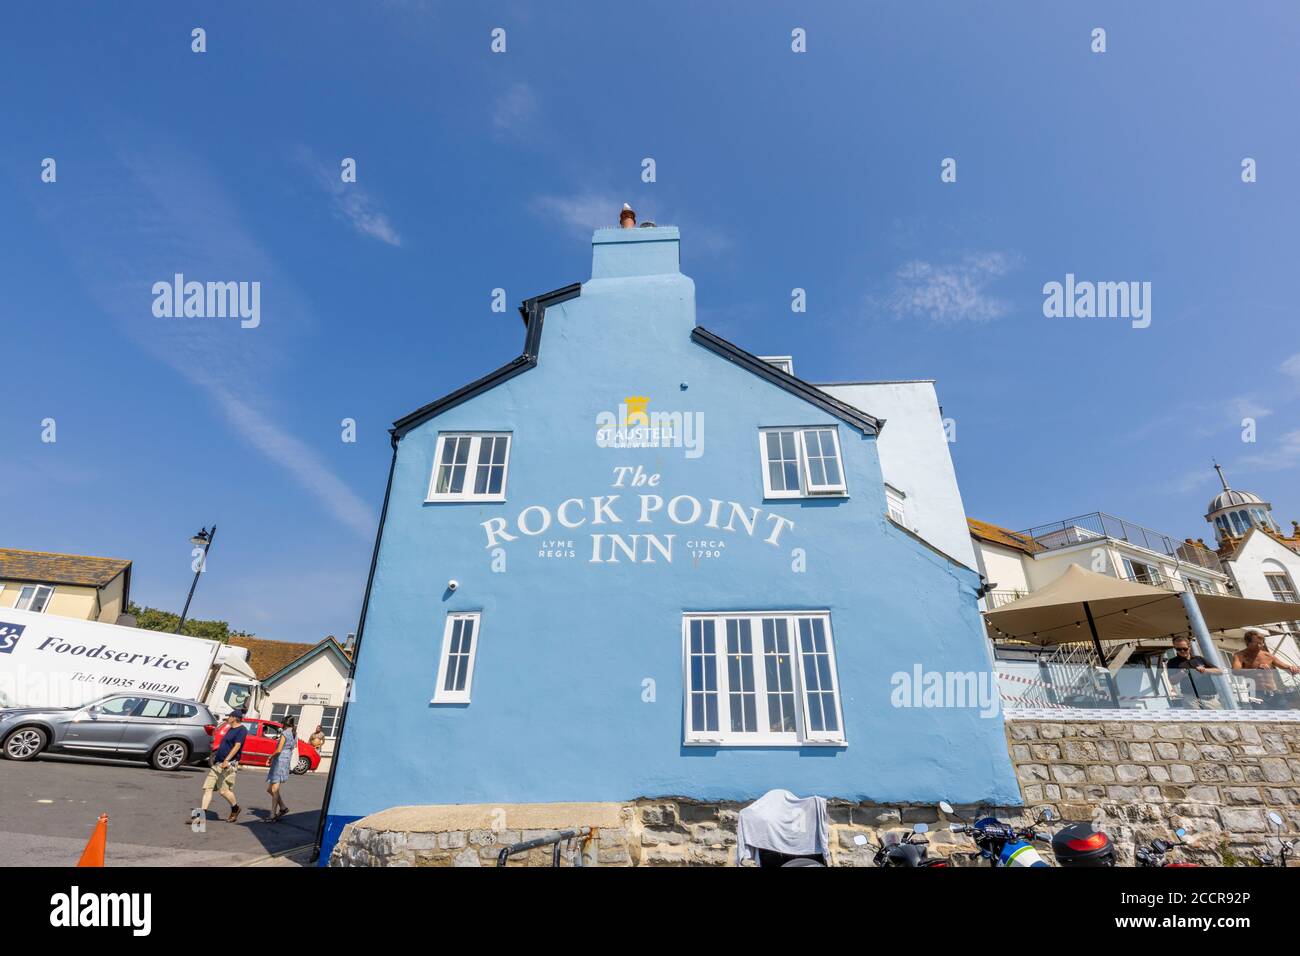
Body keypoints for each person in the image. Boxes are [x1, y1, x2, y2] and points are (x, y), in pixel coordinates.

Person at [189, 710, 248, 826]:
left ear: (235, 718)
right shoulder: (230, 728)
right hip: (218, 763)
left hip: (228, 765)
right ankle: (200, 817)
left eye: (229, 716)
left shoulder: (242, 730)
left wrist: (227, 760)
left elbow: (237, 746)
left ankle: (235, 808)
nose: (227, 718)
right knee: (208, 788)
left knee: (223, 791)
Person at [1232, 629, 1300, 709]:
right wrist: (1256, 670)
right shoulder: (1240, 655)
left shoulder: (1267, 655)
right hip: (1256, 693)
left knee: (1285, 715)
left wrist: (1291, 667)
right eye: (1256, 643)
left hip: (1274, 692)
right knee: (1265, 718)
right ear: (1248, 643)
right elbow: (1235, 671)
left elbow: (1283, 665)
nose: (1260, 646)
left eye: (1261, 643)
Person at [1167, 636, 1224, 709]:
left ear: (1189, 647)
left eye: (1185, 649)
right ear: (1175, 649)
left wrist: (1205, 670)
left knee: (1219, 719)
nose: (1182, 651)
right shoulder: (1172, 662)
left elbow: (1219, 671)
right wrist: (1181, 673)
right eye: (1179, 649)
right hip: (1191, 699)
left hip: (1210, 698)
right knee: (1197, 720)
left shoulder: (1199, 659)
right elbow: (1172, 681)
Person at [264, 716, 297, 822]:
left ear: (284, 723)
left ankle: (272, 814)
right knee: (270, 789)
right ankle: (282, 807)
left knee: (274, 789)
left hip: (280, 760)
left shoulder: (285, 733)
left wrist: (270, 757)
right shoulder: (294, 733)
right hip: (286, 760)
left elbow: (278, 750)